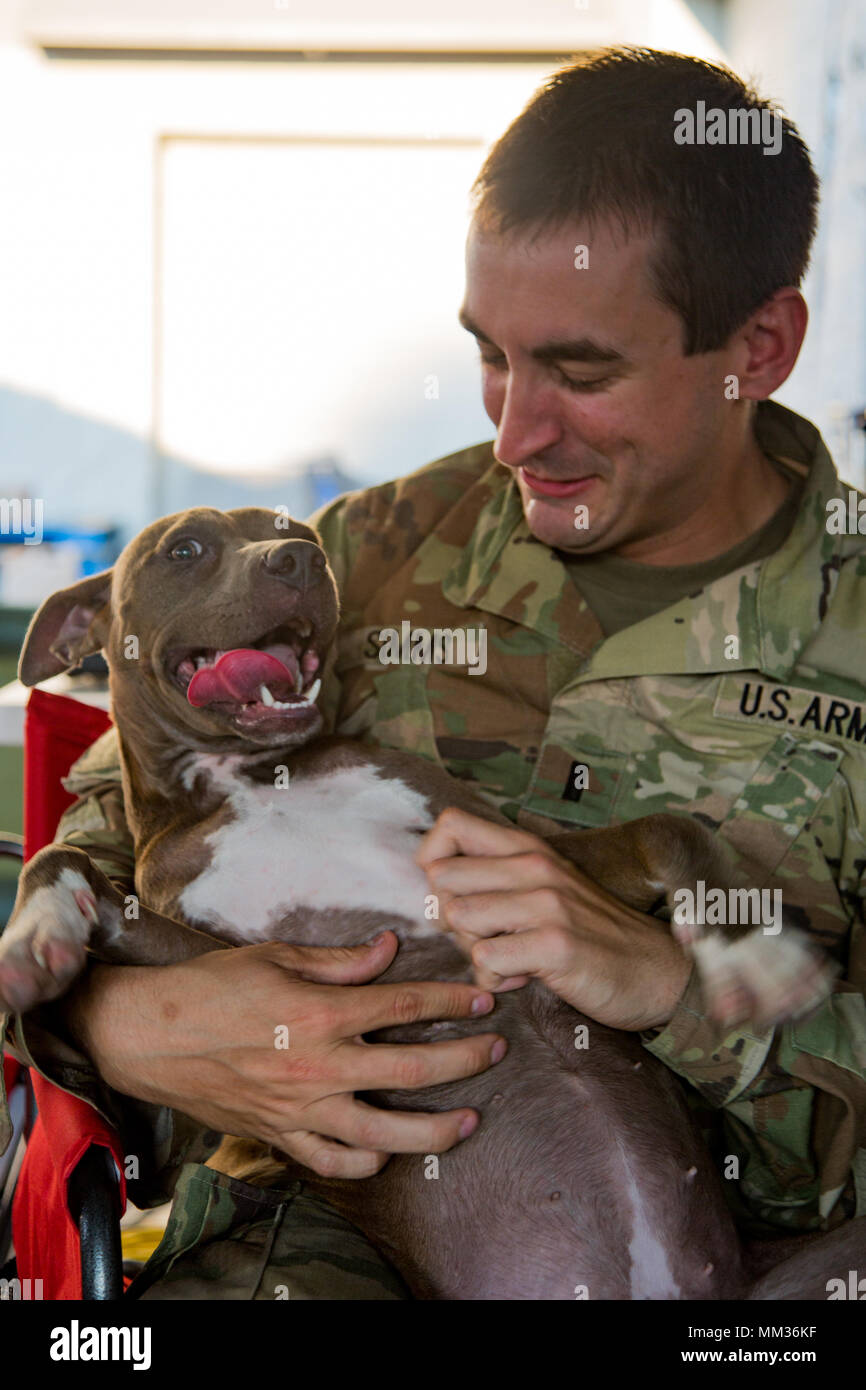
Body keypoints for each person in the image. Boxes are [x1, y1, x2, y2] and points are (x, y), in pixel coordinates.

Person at [3, 46, 865, 1300]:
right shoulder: (355, 556)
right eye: (490, 357)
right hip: (310, 1248)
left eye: (579, 372)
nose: (513, 432)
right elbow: (93, 847)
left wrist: (666, 980)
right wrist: (133, 1028)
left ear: (760, 345)